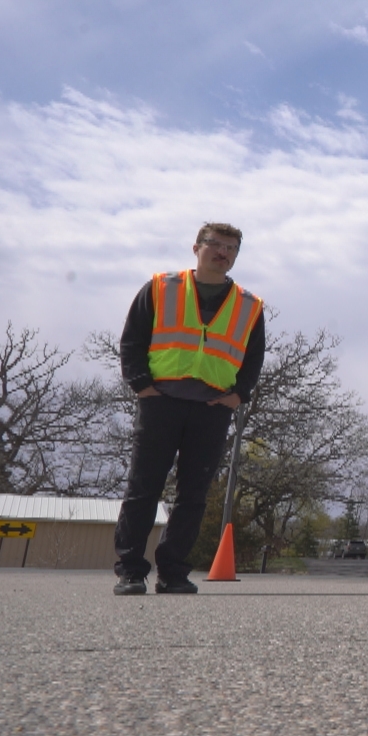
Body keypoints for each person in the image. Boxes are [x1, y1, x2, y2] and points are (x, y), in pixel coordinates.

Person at [110, 223, 266, 595]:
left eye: (231, 248)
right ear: (196, 248)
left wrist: (238, 395)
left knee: (193, 495)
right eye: (215, 244)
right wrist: (142, 386)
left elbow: (254, 356)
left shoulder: (249, 305)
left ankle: (173, 572)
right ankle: (130, 571)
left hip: (212, 409)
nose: (223, 252)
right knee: (143, 489)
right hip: (161, 403)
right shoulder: (162, 288)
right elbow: (132, 339)